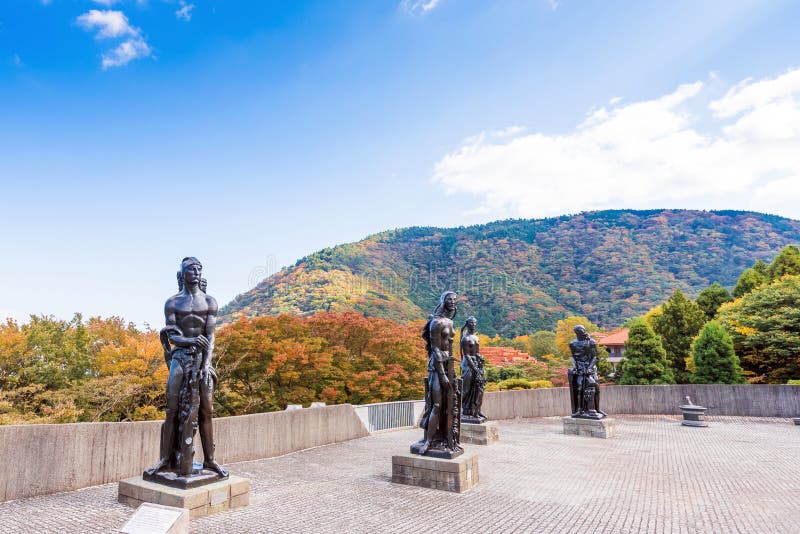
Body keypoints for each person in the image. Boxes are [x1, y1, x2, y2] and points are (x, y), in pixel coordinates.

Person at [145, 257, 228, 479]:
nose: (197, 272)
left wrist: (207, 363)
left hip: (202, 359)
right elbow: (172, 335)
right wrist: (191, 341)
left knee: (207, 410)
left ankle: (210, 460)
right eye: (192, 269)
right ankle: (165, 459)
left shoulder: (210, 302)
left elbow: (210, 336)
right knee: (172, 408)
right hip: (180, 358)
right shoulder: (173, 302)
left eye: (199, 269)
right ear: (183, 273)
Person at [413, 291, 463, 458]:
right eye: (449, 299)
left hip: (449, 365)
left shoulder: (450, 321)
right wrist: (442, 374)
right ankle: (428, 440)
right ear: (443, 301)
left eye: (455, 299)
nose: (453, 302)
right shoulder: (436, 322)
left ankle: (445, 438)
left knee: (450, 404)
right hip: (437, 367)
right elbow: (435, 349)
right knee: (436, 404)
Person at [568, 324, 605, 419]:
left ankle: (597, 409)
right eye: (582, 332)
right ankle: (579, 410)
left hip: (590, 367)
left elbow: (594, 357)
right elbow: (573, 357)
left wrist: (590, 367)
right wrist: (574, 367)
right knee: (580, 388)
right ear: (577, 333)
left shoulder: (591, 342)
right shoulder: (572, 344)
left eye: (584, 331)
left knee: (596, 388)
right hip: (580, 368)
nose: (584, 333)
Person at [460, 316, 486, 422]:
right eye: (472, 323)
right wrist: (474, 368)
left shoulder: (476, 337)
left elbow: (477, 352)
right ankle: (457, 410)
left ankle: (476, 410)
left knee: (477, 389)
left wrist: (481, 358)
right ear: (467, 324)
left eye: (475, 323)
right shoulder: (465, 339)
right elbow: (466, 355)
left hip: (476, 364)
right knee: (466, 389)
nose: (474, 325)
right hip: (468, 366)